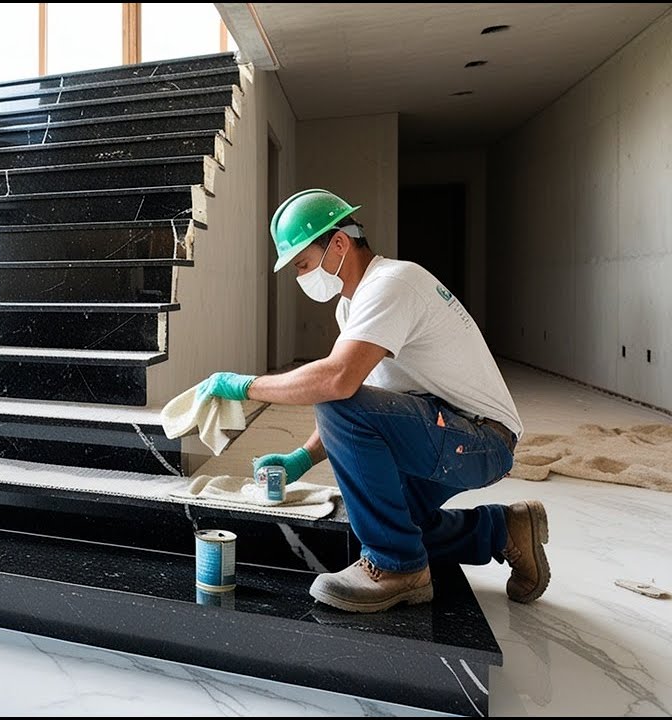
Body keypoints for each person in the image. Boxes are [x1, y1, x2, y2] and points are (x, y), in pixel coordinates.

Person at [194, 188, 548, 613]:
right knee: (388, 518)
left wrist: (243, 386)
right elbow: (371, 404)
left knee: (338, 407)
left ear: (339, 244)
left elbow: (338, 384)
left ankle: (396, 566)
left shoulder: (392, 284)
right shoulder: (354, 305)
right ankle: (503, 528)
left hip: (480, 442)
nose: (300, 277)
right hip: (447, 432)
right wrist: (301, 459)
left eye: (303, 264)